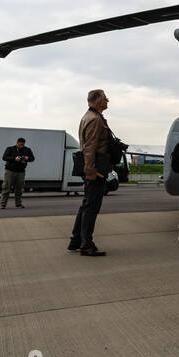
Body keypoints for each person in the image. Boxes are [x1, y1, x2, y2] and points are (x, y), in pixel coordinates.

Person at [68, 89, 113, 256]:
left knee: (86, 205)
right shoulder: (94, 119)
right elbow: (90, 147)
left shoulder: (89, 116)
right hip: (95, 169)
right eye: (105, 99)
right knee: (91, 208)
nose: (108, 101)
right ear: (98, 101)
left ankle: (76, 240)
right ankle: (87, 245)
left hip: (94, 167)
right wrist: (91, 171)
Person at [0, 137, 35, 208]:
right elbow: (4, 157)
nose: (21, 146)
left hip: (21, 172)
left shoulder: (27, 150)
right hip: (10, 171)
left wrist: (27, 158)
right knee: (6, 188)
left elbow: (32, 158)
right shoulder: (10, 148)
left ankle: (18, 203)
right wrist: (14, 158)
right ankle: (3, 204)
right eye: (20, 144)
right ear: (17, 143)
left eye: (23, 144)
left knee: (19, 189)